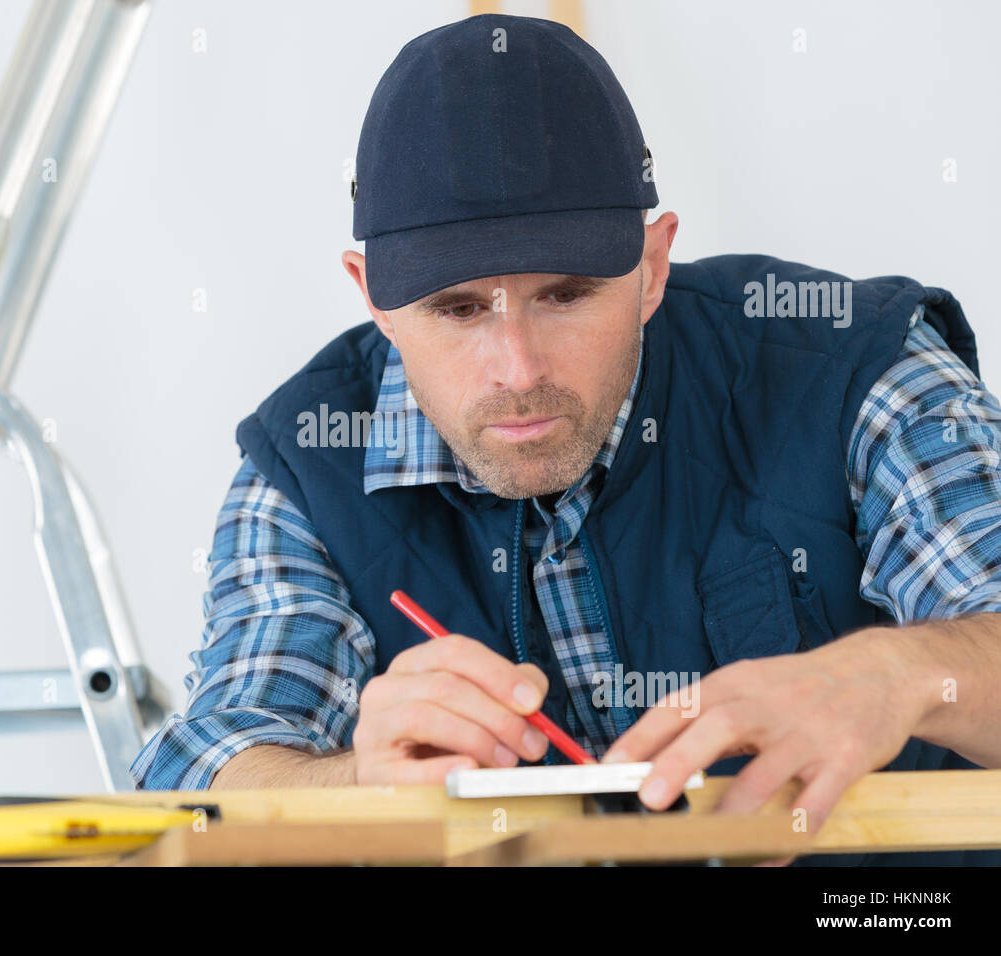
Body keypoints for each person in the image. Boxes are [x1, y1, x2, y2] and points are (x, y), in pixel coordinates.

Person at [130, 13, 1001, 866]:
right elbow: (197, 792)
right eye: (458, 308)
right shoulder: (306, 467)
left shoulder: (856, 366)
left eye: (567, 294)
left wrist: (904, 674)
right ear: (374, 300)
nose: (516, 369)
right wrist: (359, 785)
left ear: (652, 265)